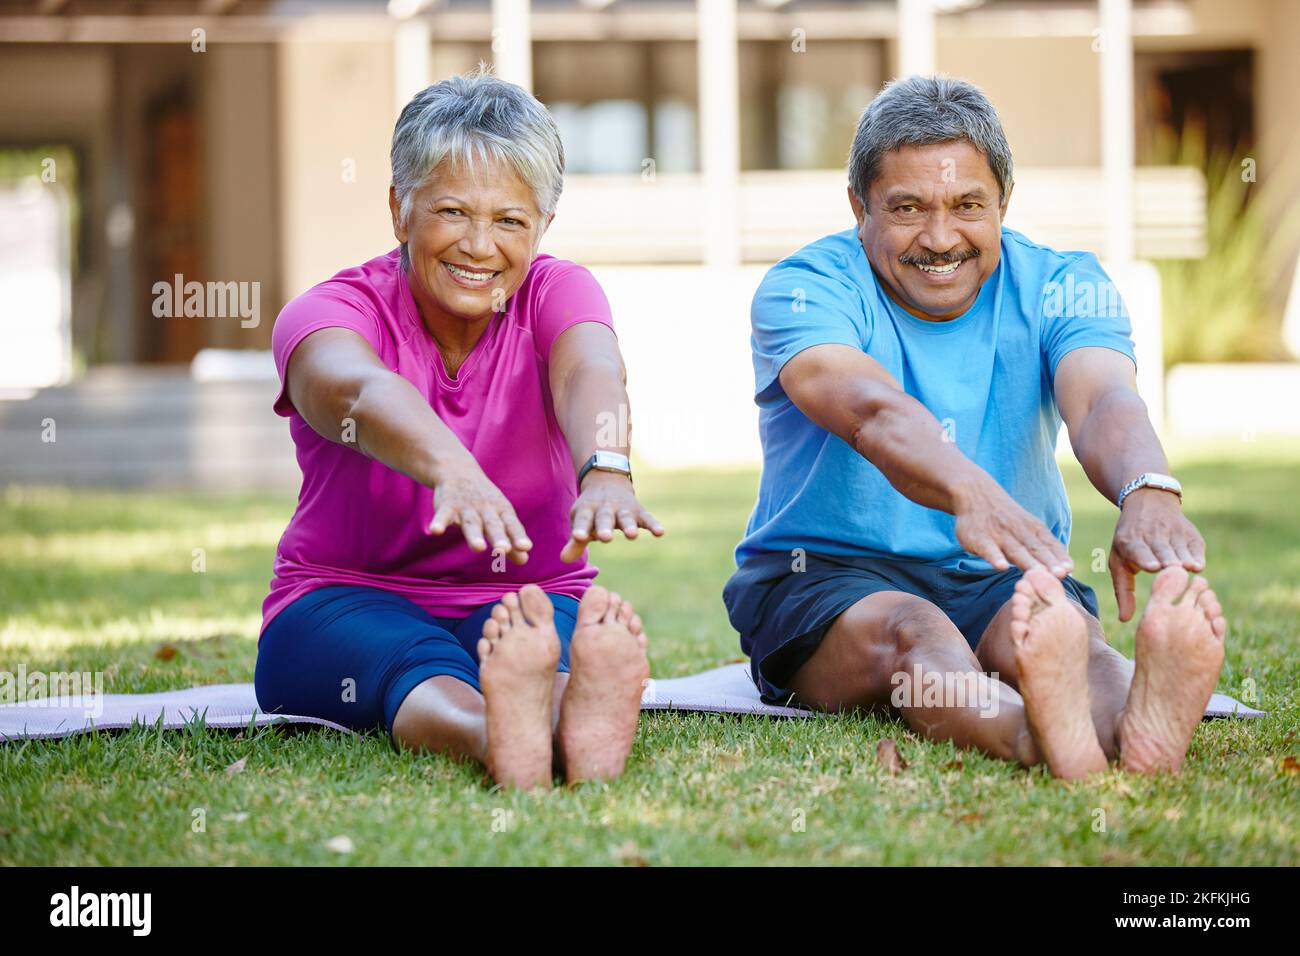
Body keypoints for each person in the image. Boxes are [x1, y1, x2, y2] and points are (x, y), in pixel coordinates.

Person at [724, 75, 1226, 779]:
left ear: (1003, 204)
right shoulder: (807, 287)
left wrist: (1147, 488)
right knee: (917, 635)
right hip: (828, 576)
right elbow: (870, 409)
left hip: (997, 568)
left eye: (967, 206)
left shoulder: (1062, 283)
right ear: (858, 207)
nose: (939, 238)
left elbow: (1104, 398)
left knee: (1069, 642)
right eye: (906, 208)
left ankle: (1131, 730)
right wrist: (969, 492)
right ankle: (1039, 739)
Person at [255, 68, 664, 790]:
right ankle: (496, 733)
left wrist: (606, 465)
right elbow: (352, 389)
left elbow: (590, 368)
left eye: (510, 221)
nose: (480, 246)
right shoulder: (331, 309)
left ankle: (571, 713)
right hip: (343, 594)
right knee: (405, 659)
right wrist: (454, 468)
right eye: (452, 212)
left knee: (544, 644)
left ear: (542, 227)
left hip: (529, 596)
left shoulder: (556, 290)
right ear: (399, 210)